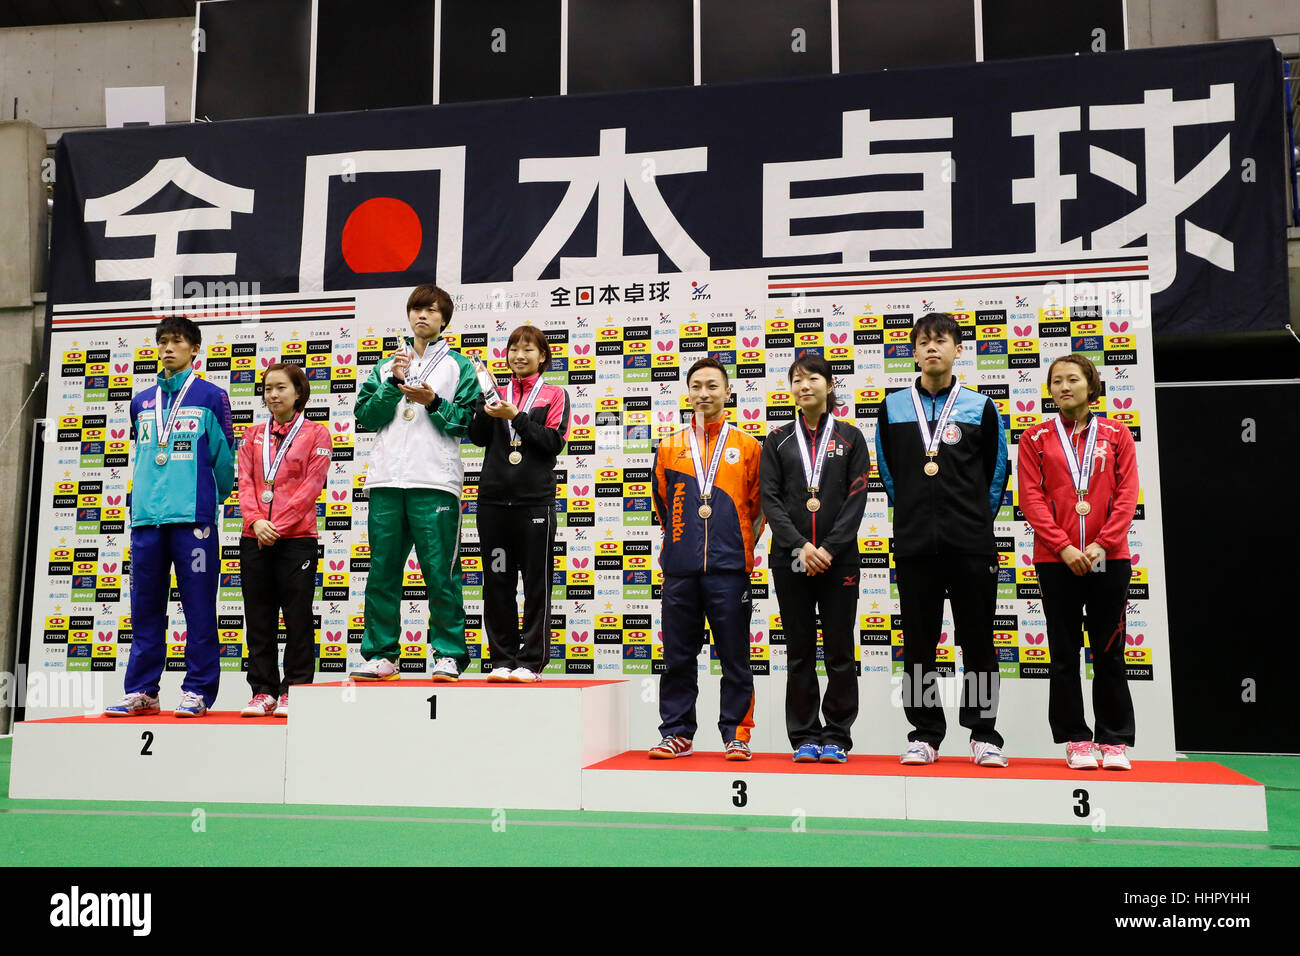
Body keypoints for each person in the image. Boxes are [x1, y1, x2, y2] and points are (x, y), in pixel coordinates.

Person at [875, 312, 1010, 767]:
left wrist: (973, 521)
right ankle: (925, 733)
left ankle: (984, 733)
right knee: (918, 642)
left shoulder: (981, 406)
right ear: (913, 352)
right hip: (915, 547)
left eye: (942, 341)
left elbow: (996, 471)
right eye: (924, 342)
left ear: (957, 350)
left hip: (971, 545)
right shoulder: (892, 407)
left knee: (979, 641)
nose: (932, 349)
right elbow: (890, 472)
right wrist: (914, 516)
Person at [105, 315, 235, 718]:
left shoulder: (212, 396)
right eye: (162, 341)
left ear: (195, 349)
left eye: (177, 342)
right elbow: (148, 454)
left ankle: (197, 689)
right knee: (144, 608)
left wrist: (204, 502)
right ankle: (143, 690)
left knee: (198, 608)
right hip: (146, 520)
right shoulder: (141, 400)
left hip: (192, 520)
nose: (167, 348)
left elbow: (225, 463)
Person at [349, 284, 479, 682]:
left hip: (435, 480)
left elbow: (471, 423)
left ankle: (448, 653)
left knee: (440, 571)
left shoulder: (460, 365)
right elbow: (366, 417)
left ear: (444, 320)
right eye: (416, 309)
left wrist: (433, 402)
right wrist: (393, 383)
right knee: (383, 570)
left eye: (431, 310)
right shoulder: (387, 364)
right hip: (388, 479)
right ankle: (382, 654)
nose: (422, 316)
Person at [1017, 354, 1138, 770]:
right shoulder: (1034, 438)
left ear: (1091, 386)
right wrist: (1063, 546)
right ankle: (1075, 738)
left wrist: (1103, 543)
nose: (1064, 387)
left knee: (1109, 649)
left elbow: (1127, 495)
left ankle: (1114, 739)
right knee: (1064, 651)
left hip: (1110, 557)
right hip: (1056, 560)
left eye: (1073, 379)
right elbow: (1031, 497)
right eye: (1056, 381)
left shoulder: (1117, 434)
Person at [649, 357, 764, 761]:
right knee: (677, 655)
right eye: (696, 386)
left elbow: (758, 506)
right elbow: (662, 504)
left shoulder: (748, 446)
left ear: (728, 392)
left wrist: (737, 546)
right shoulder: (669, 446)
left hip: (730, 570)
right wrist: (684, 543)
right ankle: (677, 732)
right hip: (680, 570)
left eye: (712, 386)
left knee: (735, 655)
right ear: (687, 393)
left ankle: (737, 733)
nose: (704, 393)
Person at [761, 353, 871, 764]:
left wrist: (827, 548)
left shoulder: (850, 437)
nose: (804, 386)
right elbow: (770, 500)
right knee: (800, 649)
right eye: (796, 379)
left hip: (838, 559)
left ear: (829, 384)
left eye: (812, 378)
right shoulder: (777, 440)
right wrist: (799, 547)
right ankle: (805, 735)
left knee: (840, 649)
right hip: (791, 560)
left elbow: (857, 496)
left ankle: (838, 735)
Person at [468, 326, 570, 682]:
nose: (520, 356)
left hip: (534, 507)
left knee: (536, 585)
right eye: (514, 349)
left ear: (543, 356)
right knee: (497, 583)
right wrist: (483, 403)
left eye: (528, 349)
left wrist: (516, 417)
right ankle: (502, 660)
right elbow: (477, 437)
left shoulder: (555, 394)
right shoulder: (496, 391)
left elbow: (553, 442)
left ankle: (530, 663)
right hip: (493, 505)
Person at [236, 363, 333, 717]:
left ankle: (295, 689)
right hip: (254, 537)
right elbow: (245, 482)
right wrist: (256, 521)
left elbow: (311, 488)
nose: (273, 394)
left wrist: (275, 524)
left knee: (297, 617)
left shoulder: (316, 434)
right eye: (267, 389)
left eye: (280, 388)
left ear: (298, 392)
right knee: (258, 618)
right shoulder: (251, 435)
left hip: (296, 539)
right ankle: (262, 690)